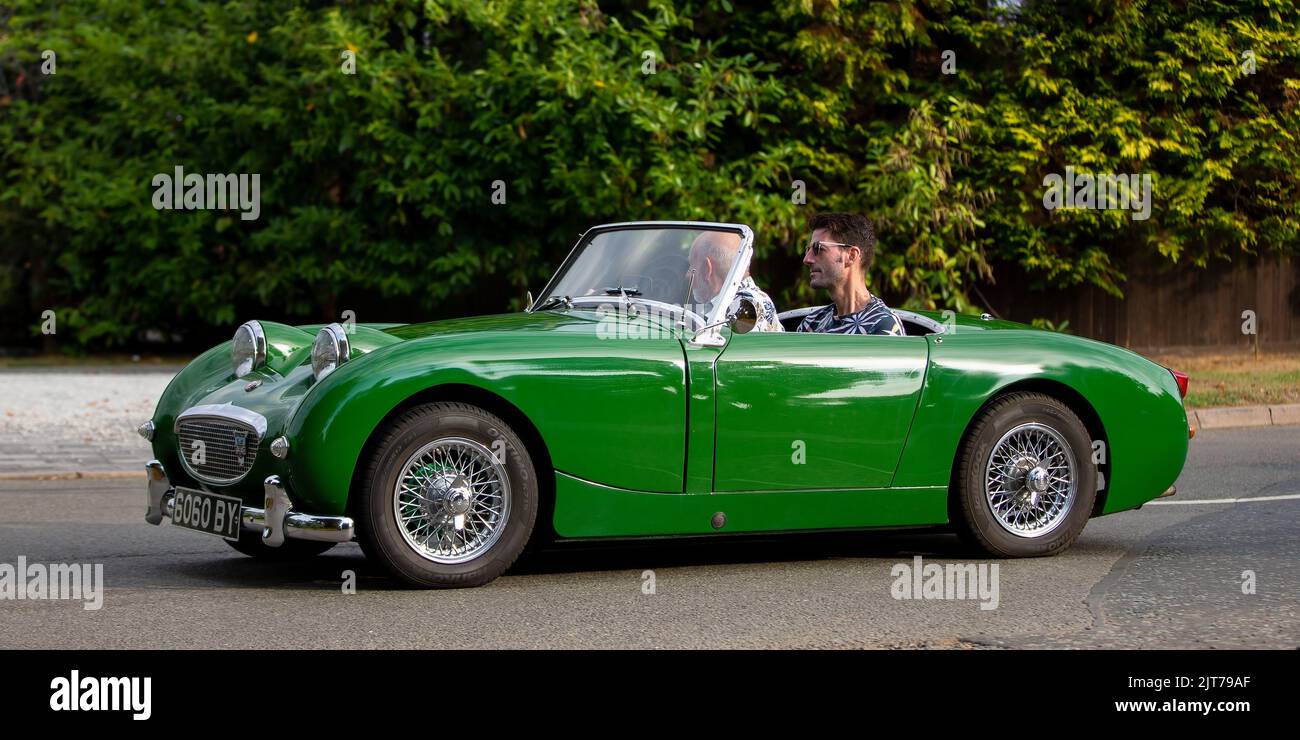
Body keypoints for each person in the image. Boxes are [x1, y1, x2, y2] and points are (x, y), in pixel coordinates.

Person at [796, 213, 904, 335]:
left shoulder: (883, 326)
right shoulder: (811, 324)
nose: (807, 259)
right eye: (808, 249)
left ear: (851, 255)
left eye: (818, 248)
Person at [687, 230, 783, 332]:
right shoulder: (722, 302)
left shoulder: (745, 305)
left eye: (691, 266)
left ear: (707, 269)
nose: (687, 275)